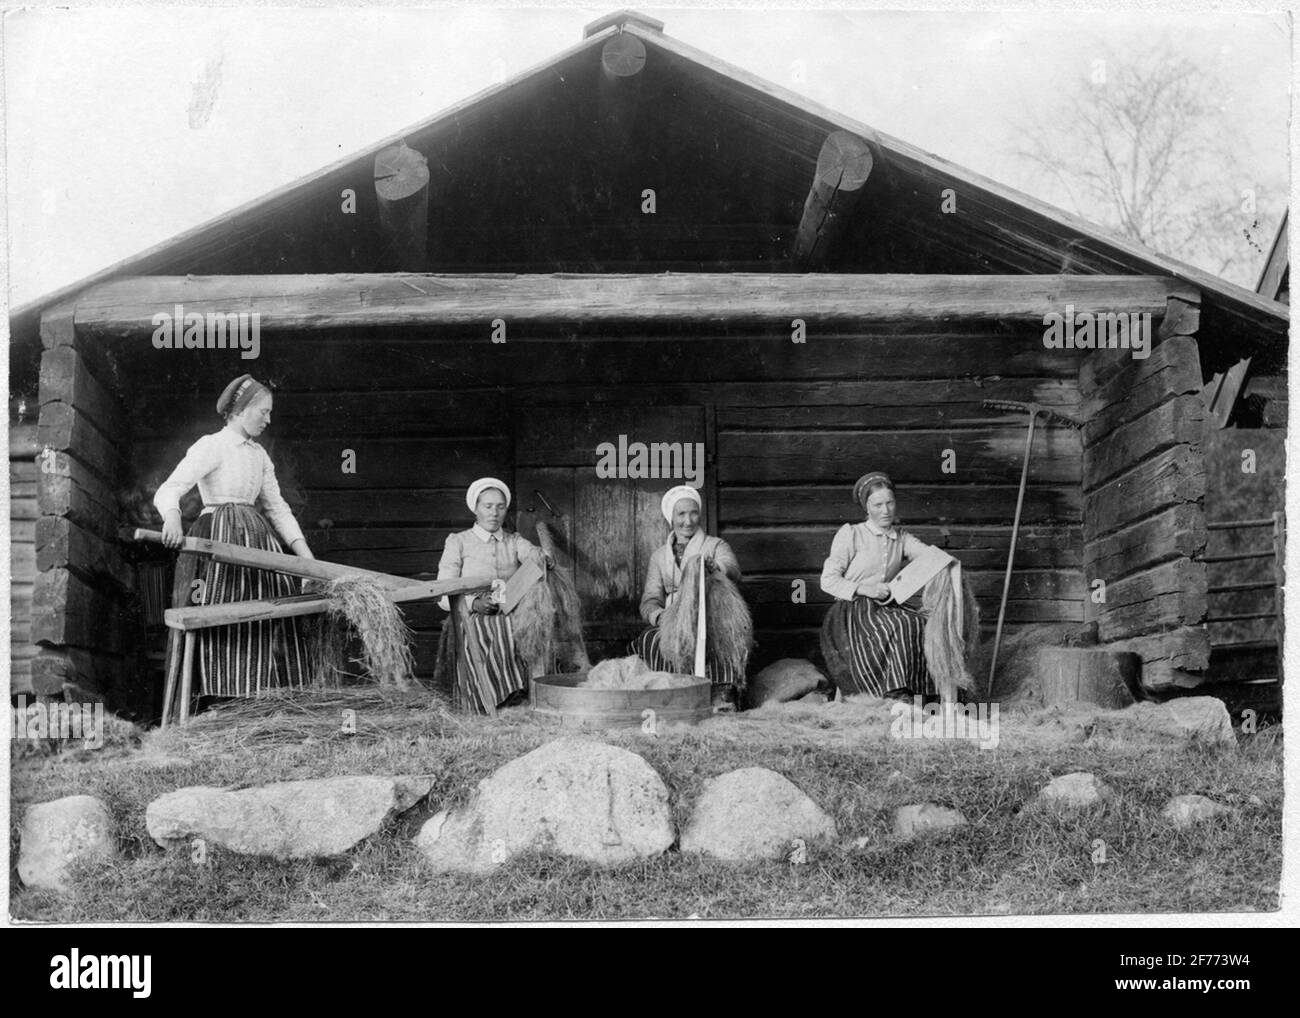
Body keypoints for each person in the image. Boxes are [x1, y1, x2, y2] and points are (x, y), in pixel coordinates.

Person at [153, 374, 315, 701]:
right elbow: (170, 488)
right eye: (263, 412)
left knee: (267, 610)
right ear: (240, 410)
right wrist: (172, 516)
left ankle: (259, 698)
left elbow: (278, 508)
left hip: (256, 541)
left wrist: (305, 557)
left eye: (270, 413)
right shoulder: (212, 445)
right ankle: (213, 699)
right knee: (216, 611)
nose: (268, 420)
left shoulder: (260, 456)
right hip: (217, 538)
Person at [819, 471, 938, 700]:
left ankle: (921, 693)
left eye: (890, 503)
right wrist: (865, 589)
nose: (885, 511)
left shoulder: (901, 537)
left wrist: (947, 564)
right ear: (867, 507)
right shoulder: (852, 534)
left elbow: (929, 557)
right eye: (878, 505)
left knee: (921, 622)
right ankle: (894, 692)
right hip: (852, 612)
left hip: (885, 607)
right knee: (901, 624)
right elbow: (828, 580)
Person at [435, 477, 547, 714]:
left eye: (500, 507)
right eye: (487, 506)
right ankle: (495, 697)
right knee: (497, 628)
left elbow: (533, 555)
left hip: (509, 609)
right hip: (469, 615)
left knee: (525, 625)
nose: (494, 513)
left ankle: (520, 694)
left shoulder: (514, 541)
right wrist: (474, 603)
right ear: (475, 508)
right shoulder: (458, 542)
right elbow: (442, 594)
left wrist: (543, 557)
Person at [629, 484, 745, 693]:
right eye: (681, 514)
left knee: (717, 644)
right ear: (671, 518)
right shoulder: (659, 557)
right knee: (650, 639)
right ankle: (667, 692)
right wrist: (661, 617)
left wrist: (715, 567)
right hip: (673, 622)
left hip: (711, 619)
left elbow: (733, 569)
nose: (688, 521)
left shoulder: (715, 545)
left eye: (693, 513)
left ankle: (721, 693)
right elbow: (650, 599)